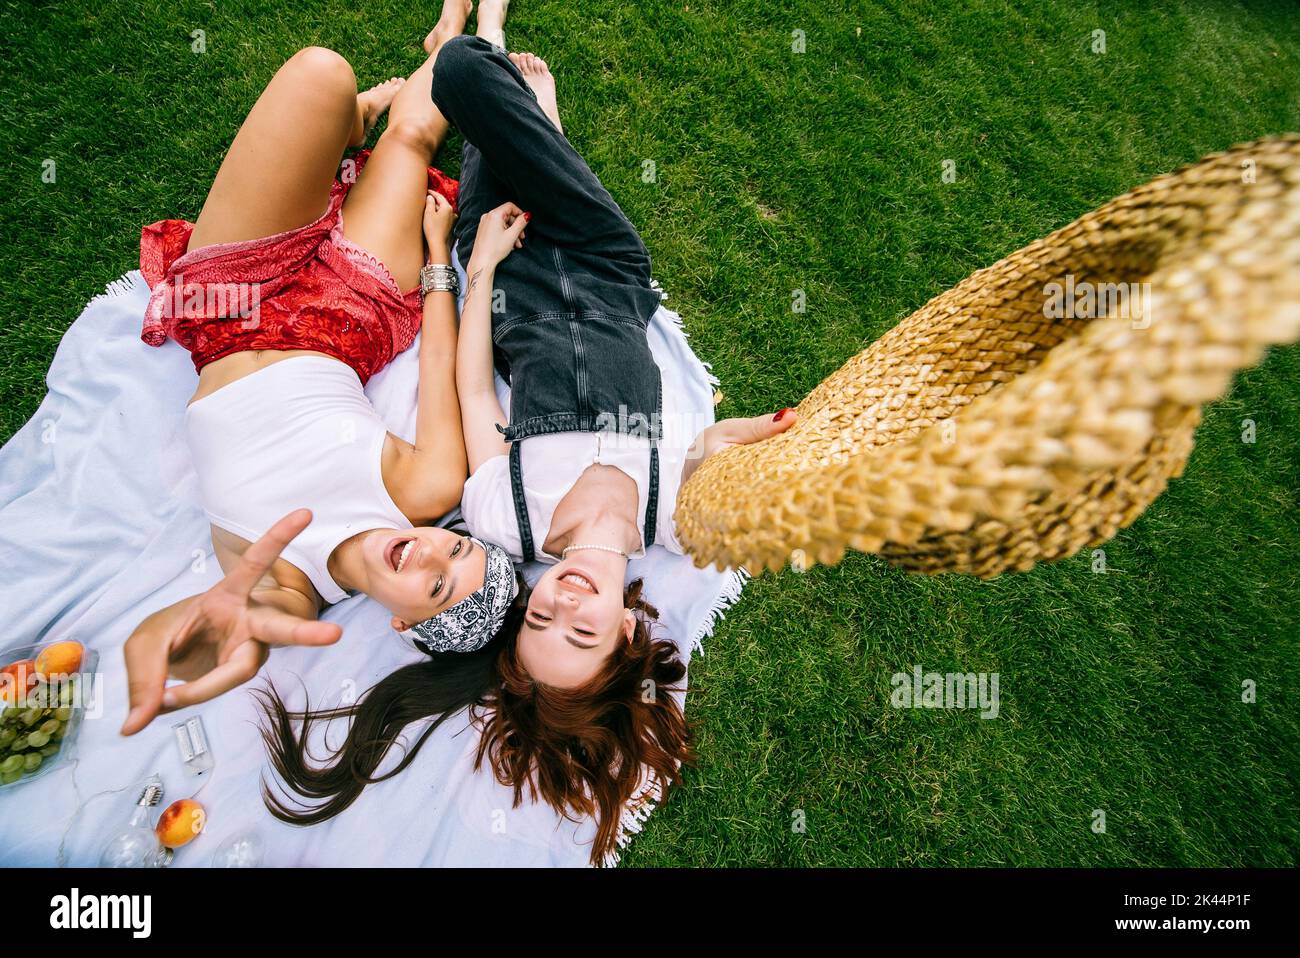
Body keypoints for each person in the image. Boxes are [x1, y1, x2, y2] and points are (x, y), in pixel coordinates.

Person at [118, 1, 524, 736]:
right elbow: (440, 362)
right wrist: (438, 253)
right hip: (347, 310)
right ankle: (447, 37)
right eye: (458, 548)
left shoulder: (288, 584)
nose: (431, 550)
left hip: (225, 308)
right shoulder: (426, 490)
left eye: (436, 585)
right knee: (407, 132)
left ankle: (350, 123)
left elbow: (219, 634)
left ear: (403, 625)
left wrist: (204, 630)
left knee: (321, 74)